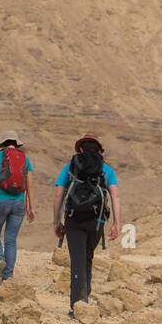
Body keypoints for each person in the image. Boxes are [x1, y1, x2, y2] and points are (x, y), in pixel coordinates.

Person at [54, 133, 120, 313]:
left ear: (80, 148)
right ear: (99, 149)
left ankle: (78, 304)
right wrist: (117, 223)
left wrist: (56, 222)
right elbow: (115, 196)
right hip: (96, 221)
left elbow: (59, 193)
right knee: (88, 257)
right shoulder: (107, 170)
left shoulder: (70, 167)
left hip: (73, 219)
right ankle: (85, 299)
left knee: (77, 260)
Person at [0, 129, 35, 282]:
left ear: (3, 143)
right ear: (16, 143)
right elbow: (30, 185)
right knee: (10, 239)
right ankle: (8, 276)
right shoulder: (25, 159)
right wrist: (31, 207)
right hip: (18, 203)